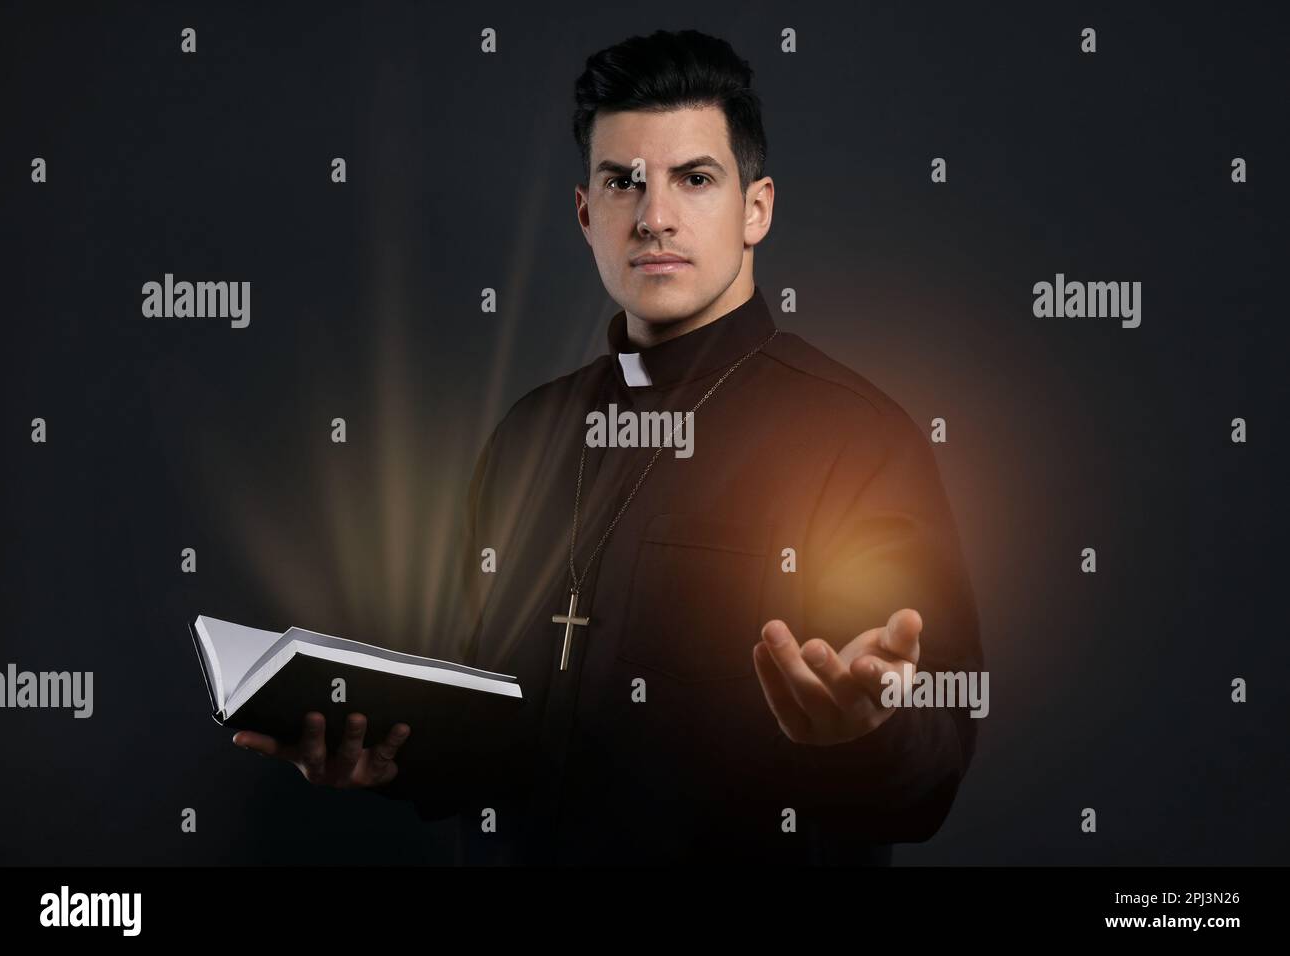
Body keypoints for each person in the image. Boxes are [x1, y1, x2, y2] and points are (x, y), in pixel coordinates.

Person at [232, 28, 984, 865]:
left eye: (695, 179)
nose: (654, 216)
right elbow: (483, 729)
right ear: (587, 214)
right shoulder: (527, 434)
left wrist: (866, 731)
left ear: (756, 209)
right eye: (623, 182)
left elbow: (933, 772)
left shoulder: (858, 437)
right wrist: (387, 760)